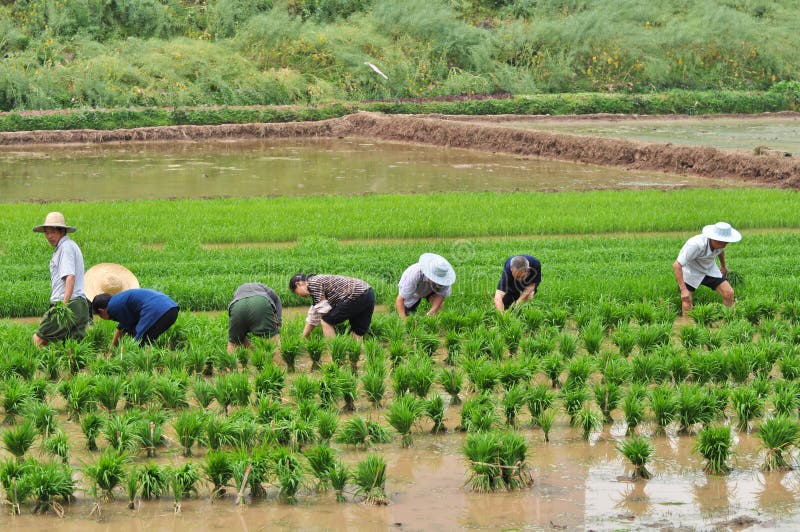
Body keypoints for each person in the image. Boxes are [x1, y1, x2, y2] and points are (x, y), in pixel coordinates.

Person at [32, 212, 91, 347]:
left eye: (53, 232)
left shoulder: (65, 247)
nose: (49, 236)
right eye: (47, 233)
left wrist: (63, 306)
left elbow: (70, 276)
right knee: (71, 349)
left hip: (68, 303)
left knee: (38, 339)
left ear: (62, 231)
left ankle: (32, 368)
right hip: (80, 305)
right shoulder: (71, 246)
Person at [673, 221, 741, 315]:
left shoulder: (721, 244)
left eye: (726, 242)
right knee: (686, 299)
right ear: (713, 238)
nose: (723, 245)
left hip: (709, 269)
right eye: (721, 242)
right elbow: (677, 265)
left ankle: (727, 320)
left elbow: (721, 251)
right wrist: (683, 290)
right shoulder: (695, 245)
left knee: (729, 293)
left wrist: (723, 266)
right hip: (691, 271)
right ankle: (687, 326)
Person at [289, 273, 375, 340]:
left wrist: (327, 321)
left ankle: (334, 352)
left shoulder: (312, 283)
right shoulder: (317, 282)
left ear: (299, 284)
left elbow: (324, 311)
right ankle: (358, 358)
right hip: (368, 293)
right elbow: (314, 314)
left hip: (355, 295)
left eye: (297, 293)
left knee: (326, 322)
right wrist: (304, 337)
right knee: (357, 333)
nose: (301, 296)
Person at [92, 288, 179, 348]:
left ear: (102, 311)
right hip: (171, 309)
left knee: (139, 342)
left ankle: (142, 368)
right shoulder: (118, 301)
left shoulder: (113, 307)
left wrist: (112, 350)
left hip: (158, 312)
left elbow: (128, 327)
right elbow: (122, 328)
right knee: (145, 341)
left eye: (100, 316)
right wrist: (112, 349)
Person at [395, 253, 456, 319]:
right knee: (406, 312)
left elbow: (441, 295)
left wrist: (431, 312)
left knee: (439, 306)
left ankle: (435, 319)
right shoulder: (414, 275)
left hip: (430, 288)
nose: (438, 282)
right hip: (414, 290)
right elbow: (400, 300)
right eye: (436, 280)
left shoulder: (444, 277)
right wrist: (404, 320)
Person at [227, 282, 283, 353]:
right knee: (273, 344)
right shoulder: (263, 287)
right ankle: (278, 363)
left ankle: (230, 363)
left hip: (237, 307)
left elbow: (240, 336)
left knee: (233, 344)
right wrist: (278, 321)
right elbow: (277, 299)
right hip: (260, 303)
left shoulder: (237, 292)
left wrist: (254, 351)